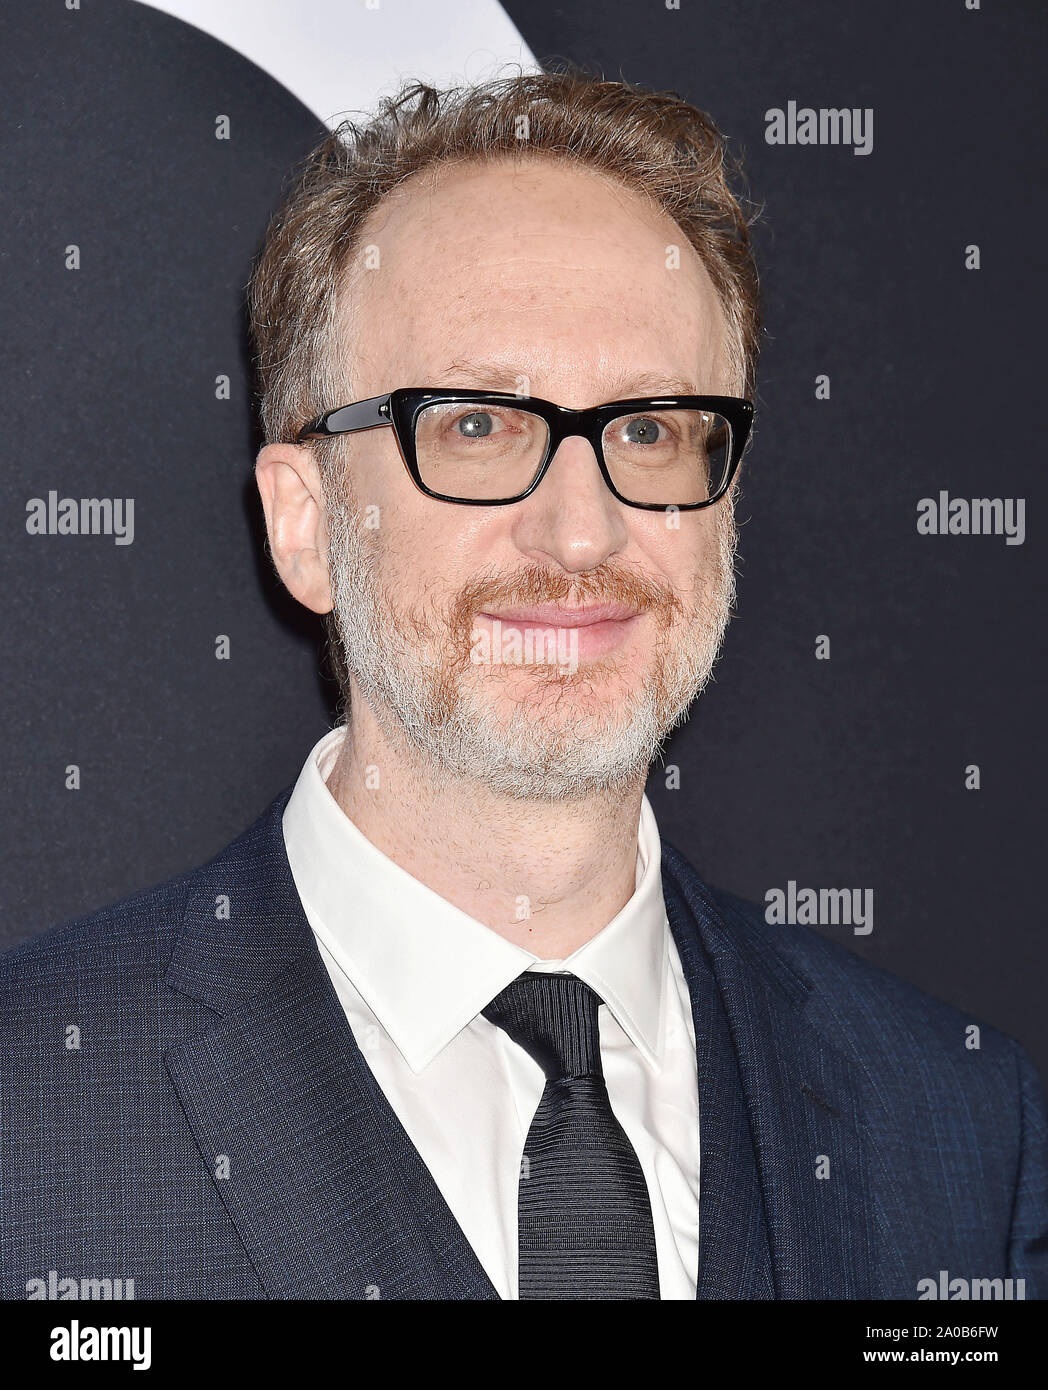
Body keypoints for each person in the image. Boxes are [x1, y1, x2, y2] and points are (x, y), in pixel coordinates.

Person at [1, 70, 1044, 1302]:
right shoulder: (30, 1115)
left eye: (651, 427)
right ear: (306, 524)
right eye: (478, 427)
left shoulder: (957, 1123)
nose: (583, 533)